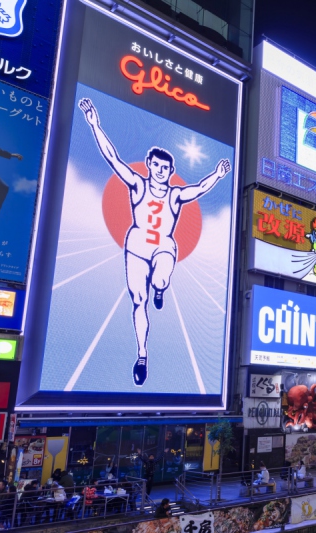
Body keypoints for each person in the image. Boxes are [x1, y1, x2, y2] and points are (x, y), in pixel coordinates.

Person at [78, 98, 231, 386]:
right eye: (157, 165)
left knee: (159, 280)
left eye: (166, 167)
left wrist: (218, 175)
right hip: (136, 246)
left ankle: (161, 287)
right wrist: (94, 123)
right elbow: (113, 158)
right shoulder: (137, 184)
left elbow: (197, 189)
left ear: (171, 171)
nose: (161, 170)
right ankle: (142, 355)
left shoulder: (174, 194)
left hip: (163, 245)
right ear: (149, 164)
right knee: (138, 300)